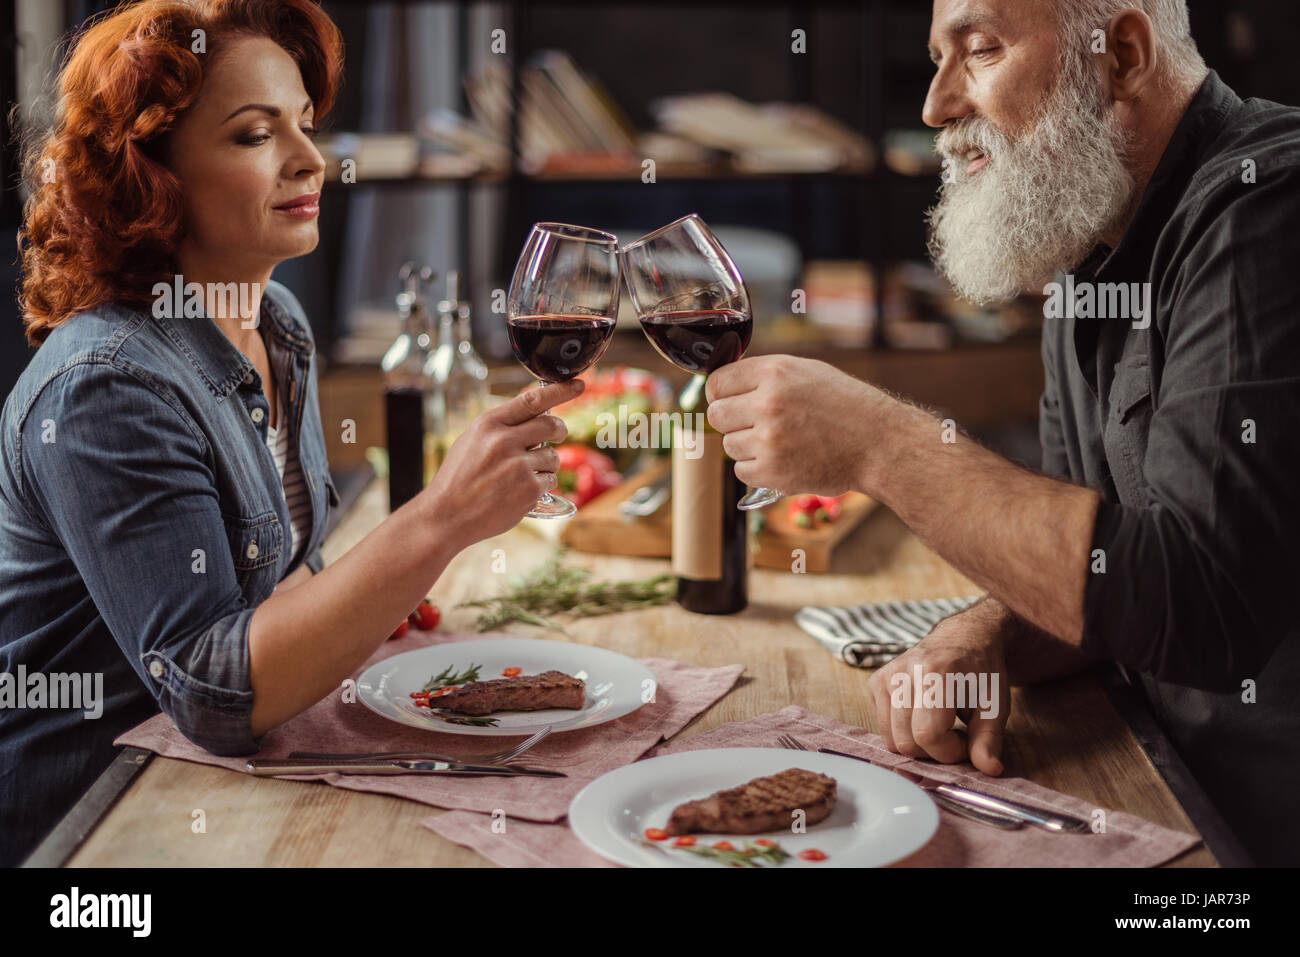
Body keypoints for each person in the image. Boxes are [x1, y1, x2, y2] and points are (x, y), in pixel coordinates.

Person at [705, 0, 1300, 865]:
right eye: (938, 58)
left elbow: (1199, 604)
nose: (936, 106)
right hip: (1157, 783)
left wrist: (882, 443)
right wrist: (984, 630)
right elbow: (1099, 564)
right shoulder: (1089, 239)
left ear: (1123, 55)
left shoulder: (1266, 212)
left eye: (980, 51)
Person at [0, 0, 578, 866]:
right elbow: (215, 688)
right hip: (96, 825)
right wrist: (442, 517)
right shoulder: (106, 386)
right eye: (252, 135)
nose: (311, 160)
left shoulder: (276, 320)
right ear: (149, 172)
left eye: (305, 124)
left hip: (225, 782)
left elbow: (282, 589)